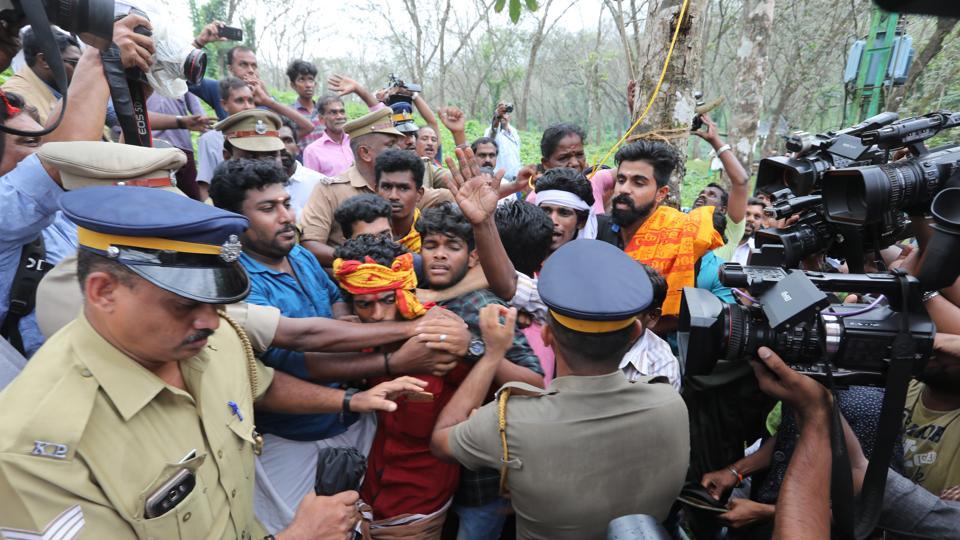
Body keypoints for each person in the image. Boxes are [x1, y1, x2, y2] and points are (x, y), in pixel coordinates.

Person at [0, 185, 430, 538]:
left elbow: (259, 383)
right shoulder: (34, 449)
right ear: (103, 291)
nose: (211, 321)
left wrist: (352, 403)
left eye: (217, 300)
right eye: (183, 304)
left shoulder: (209, 337)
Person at [208, 158, 469, 532]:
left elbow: (337, 306)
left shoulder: (298, 254)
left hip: (354, 421)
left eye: (285, 202)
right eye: (268, 208)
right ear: (234, 220)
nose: (286, 216)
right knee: (303, 529)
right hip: (292, 437)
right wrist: (396, 353)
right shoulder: (236, 280)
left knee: (355, 522)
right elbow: (301, 348)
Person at [430, 239, 689, 540]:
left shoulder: (509, 423)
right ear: (635, 332)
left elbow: (441, 440)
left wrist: (491, 355)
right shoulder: (669, 402)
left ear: (547, 334)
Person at [1, 14, 155, 357]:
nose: (42, 151)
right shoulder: (6, 211)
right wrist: (100, 51)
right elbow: (63, 160)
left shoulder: (59, 211)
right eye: (28, 143)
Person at [416, 201, 544, 539]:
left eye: (452, 246)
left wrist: (476, 348)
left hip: (478, 477)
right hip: (427, 469)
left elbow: (534, 383)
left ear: (473, 256)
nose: (439, 255)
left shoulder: (484, 306)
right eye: (431, 246)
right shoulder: (414, 294)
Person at [333, 234, 466, 537]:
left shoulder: (441, 342)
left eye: (388, 300)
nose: (377, 315)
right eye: (365, 304)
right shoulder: (351, 340)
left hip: (419, 505)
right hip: (364, 495)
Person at [299, 107, 452, 266]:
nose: (398, 148)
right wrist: (361, 258)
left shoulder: (406, 189)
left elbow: (453, 196)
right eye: (390, 144)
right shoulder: (330, 190)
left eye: (402, 188)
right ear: (365, 153)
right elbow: (310, 246)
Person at [595, 140, 724, 321]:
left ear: (661, 193)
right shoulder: (595, 229)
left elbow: (676, 317)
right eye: (621, 180)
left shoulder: (682, 238)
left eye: (638, 183)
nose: (624, 189)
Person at [302, 74, 386, 176]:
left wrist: (358, 89)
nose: (340, 116)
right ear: (321, 119)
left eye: (342, 112)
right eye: (333, 112)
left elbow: (382, 116)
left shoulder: (358, 140)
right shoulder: (312, 151)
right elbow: (312, 186)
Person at [2, 27, 80, 125]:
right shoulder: (15, 96)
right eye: (74, 63)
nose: (80, 69)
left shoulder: (64, 88)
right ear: (44, 60)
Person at [620, 264, 681, 390]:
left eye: (628, 310)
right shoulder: (587, 336)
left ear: (653, 316)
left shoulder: (661, 366)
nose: (615, 315)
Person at [146, 90, 213, 201]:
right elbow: (120, 116)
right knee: (157, 197)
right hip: (150, 148)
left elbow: (197, 109)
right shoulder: (136, 76)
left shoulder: (180, 77)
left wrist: (206, 129)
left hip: (182, 147)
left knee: (191, 197)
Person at [195, 77, 257, 196]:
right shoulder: (209, 140)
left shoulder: (262, 134)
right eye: (239, 101)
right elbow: (205, 185)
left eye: (250, 100)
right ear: (224, 104)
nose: (247, 107)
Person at [376, 149, 426, 252]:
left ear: (419, 194)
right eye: (386, 187)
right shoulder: (362, 233)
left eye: (403, 188)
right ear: (376, 190)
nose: (393, 196)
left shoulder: (429, 237)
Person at [534, 167, 598, 248]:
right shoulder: (518, 257)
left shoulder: (594, 259)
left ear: (581, 222)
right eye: (545, 211)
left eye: (564, 213)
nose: (552, 221)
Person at [279, 119, 328, 219]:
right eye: (276, 141)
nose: (282, 147)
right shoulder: (259, 186)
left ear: (297, 148)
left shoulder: (320, 183)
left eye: (288, 141)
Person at [286, 59, 324, 150]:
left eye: (310, 79)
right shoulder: (289, 113)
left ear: (315, 84)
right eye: (301, 79)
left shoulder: (323, 110)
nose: (308, 85)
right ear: (293, 85)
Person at [483, 101, 520, 180]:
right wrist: (497, 118)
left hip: (515, 179)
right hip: (499, 179)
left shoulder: (514, 132)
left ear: (509, 116)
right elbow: (492, 134)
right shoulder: (490, 131)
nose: (503, 116)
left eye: (505, 112)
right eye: (501, 113)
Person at [732, 197, 766, 265]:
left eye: (757, 217)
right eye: (746, 214)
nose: (751, 219)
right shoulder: (717, 242)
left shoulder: (759, 251)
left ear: (761, 222)